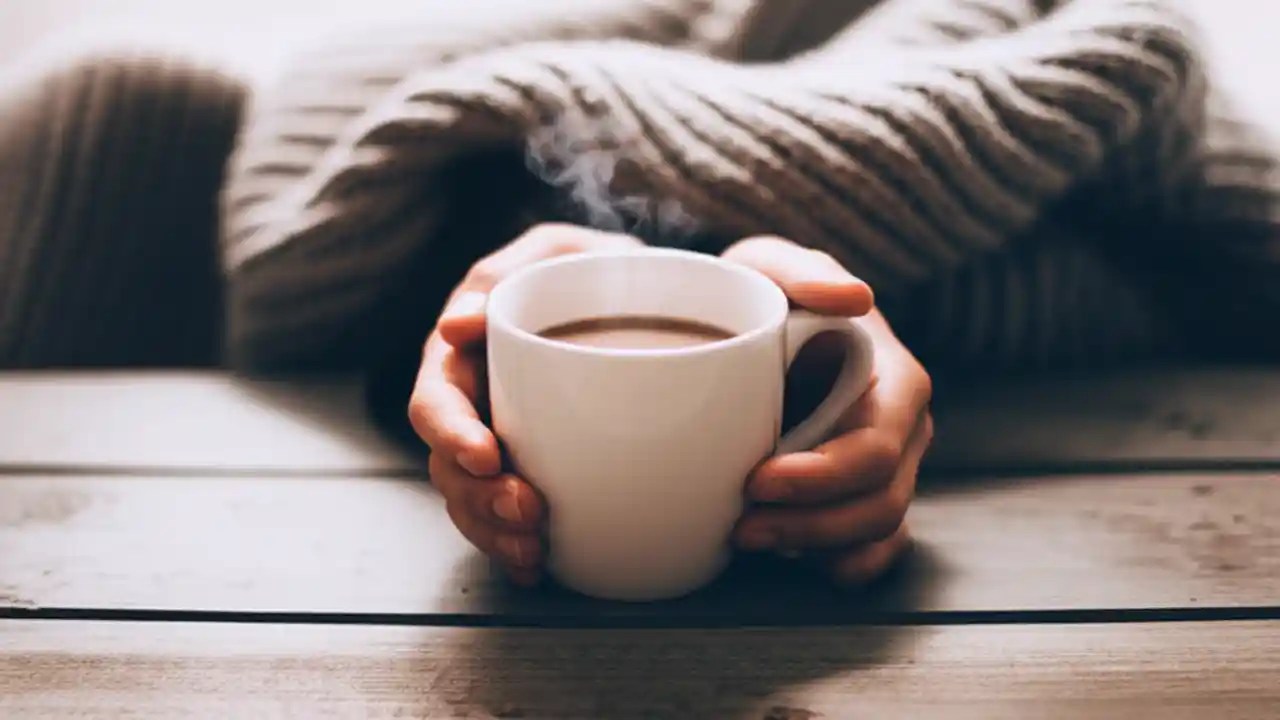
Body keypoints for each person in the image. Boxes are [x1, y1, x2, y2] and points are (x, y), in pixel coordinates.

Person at [2, 0, 1277, 587]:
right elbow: (465, 129)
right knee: (103, 109)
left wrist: (828, 309)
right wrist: (503, 274)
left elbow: (1179, 158)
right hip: (273, 221)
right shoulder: (127, 136)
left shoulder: (1089, 63)